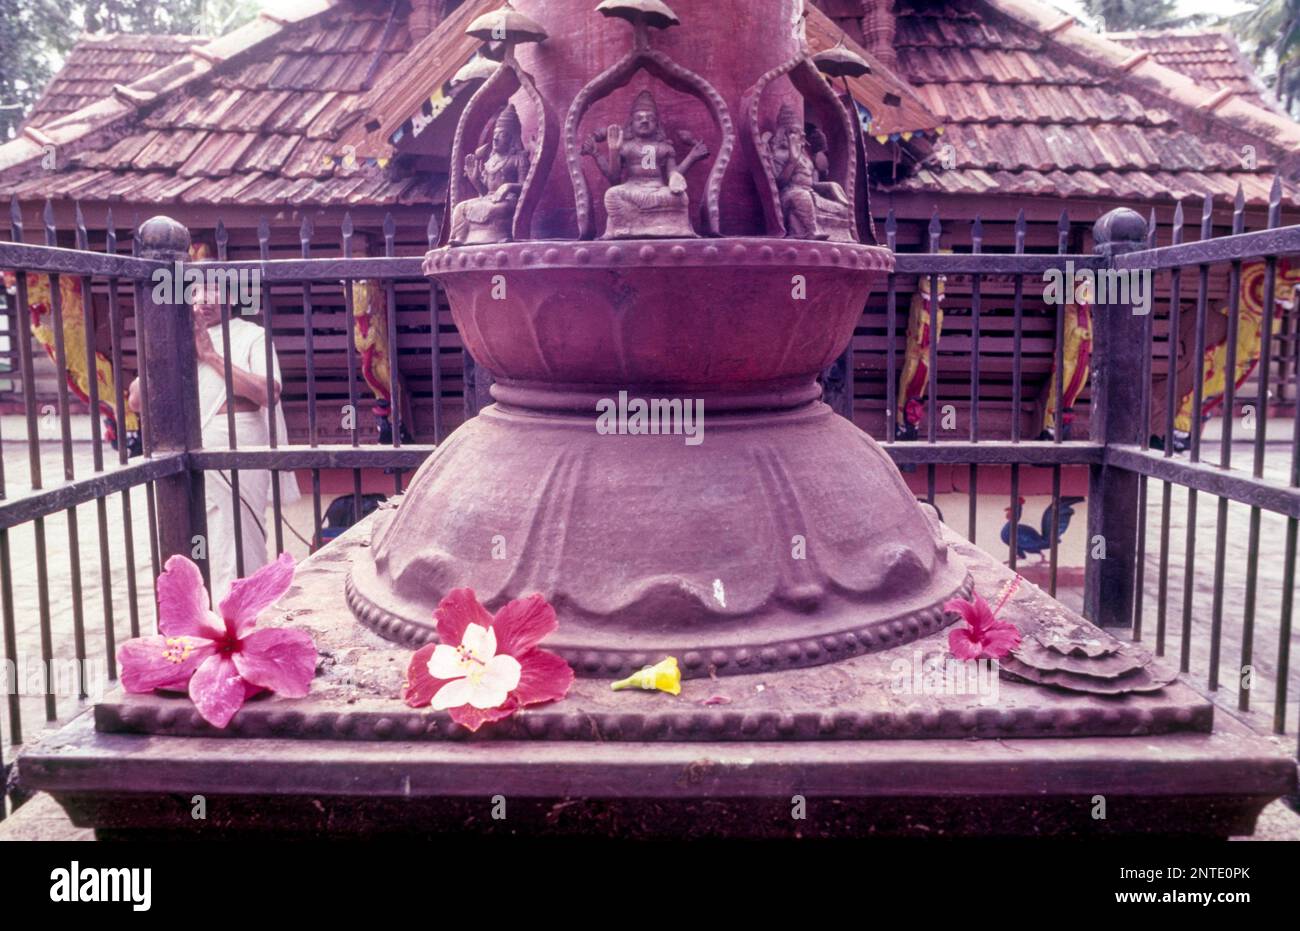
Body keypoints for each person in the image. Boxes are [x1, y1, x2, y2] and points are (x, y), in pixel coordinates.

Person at [129, 285, 300, 602]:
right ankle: (203, 616)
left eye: (213, 290)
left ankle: (243, 616)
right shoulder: (174, 340)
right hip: (186, 449)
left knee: (239, 537)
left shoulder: (251, 335)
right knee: (194, 533)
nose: (204, 300)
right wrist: (165, 352)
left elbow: (268, 394)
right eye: (195, 292)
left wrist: (210, 356)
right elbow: (137, 402)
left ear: (231, 298)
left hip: (238, 443)